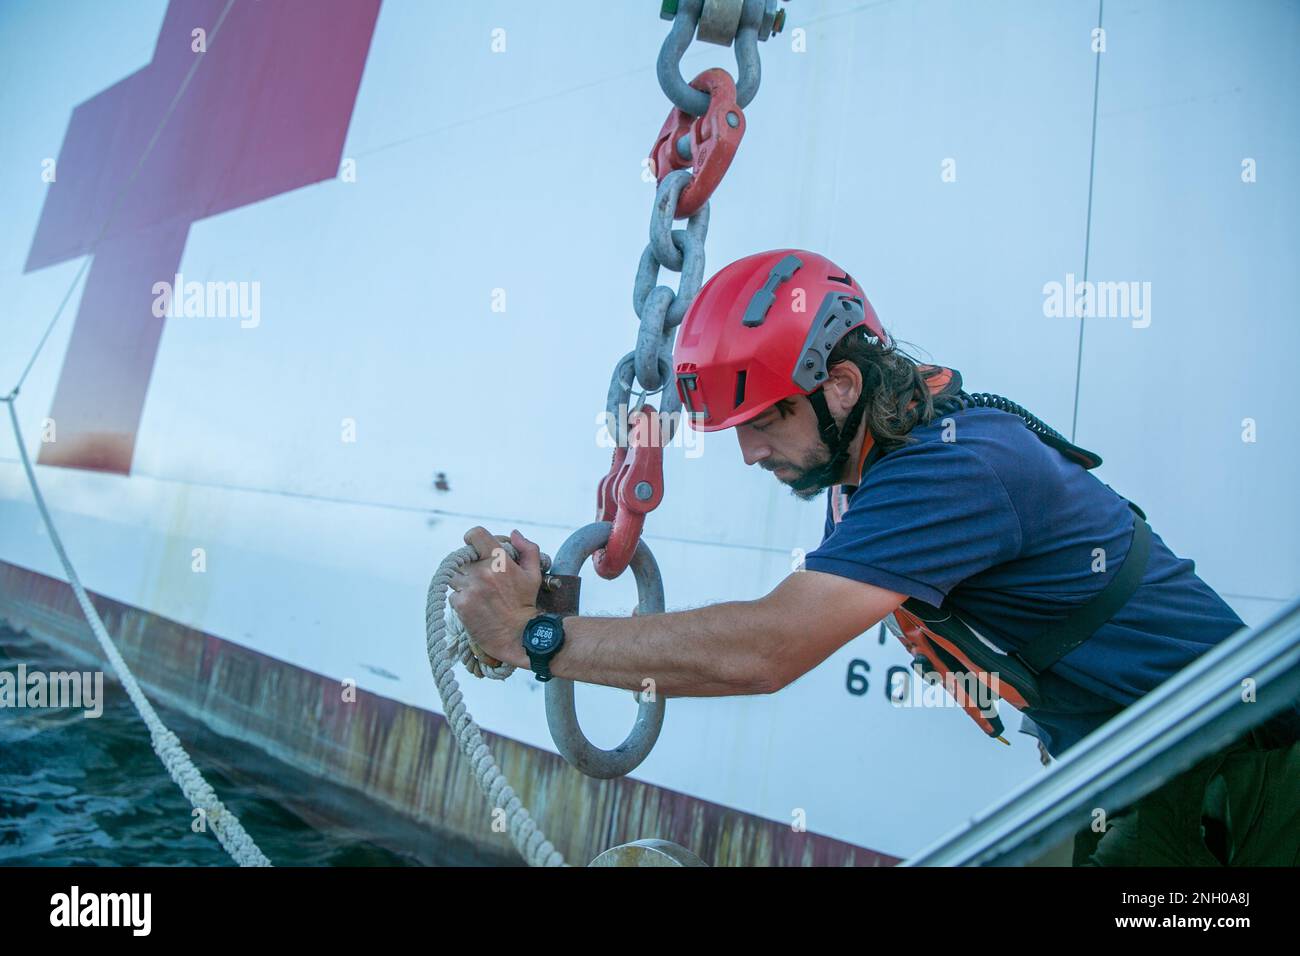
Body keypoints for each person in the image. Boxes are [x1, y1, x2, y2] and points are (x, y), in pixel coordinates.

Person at [449, 248, 1298, 866]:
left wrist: (536, 640)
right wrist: (550, 620)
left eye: (765, 423)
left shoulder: (952, 472)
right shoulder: (869, 468)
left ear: (842, 387)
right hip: (1147, 773)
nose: (749, 455)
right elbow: (764, 644)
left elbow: (765, 649)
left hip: (1249, 779)